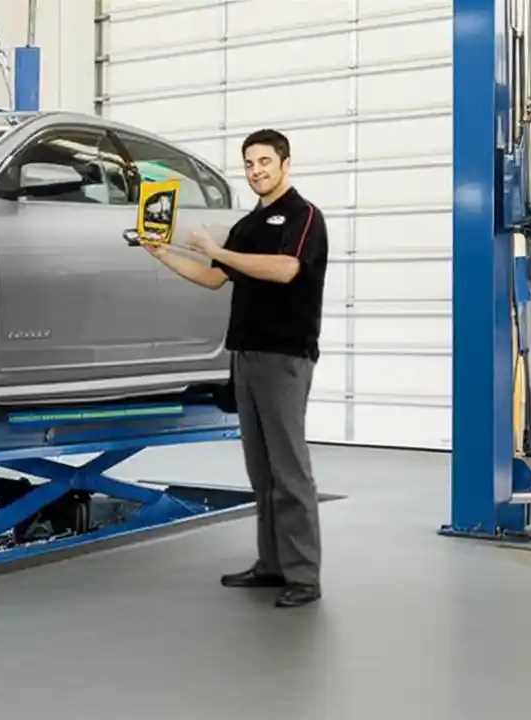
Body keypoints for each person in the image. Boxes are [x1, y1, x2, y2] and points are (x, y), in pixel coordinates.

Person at [144, 128, 328, 608]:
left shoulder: (303, 217)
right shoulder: (247, 226)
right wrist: (162, 253)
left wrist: (217, 250)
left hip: (285, 358)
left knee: (290, 471)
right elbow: (210, 278)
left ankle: (304, 576)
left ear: (285, 164)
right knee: (262, 471)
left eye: (265, 162)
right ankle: (272, 565)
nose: (256, 171)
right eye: (249, 164)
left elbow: (285, 269)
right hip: (244, 358)